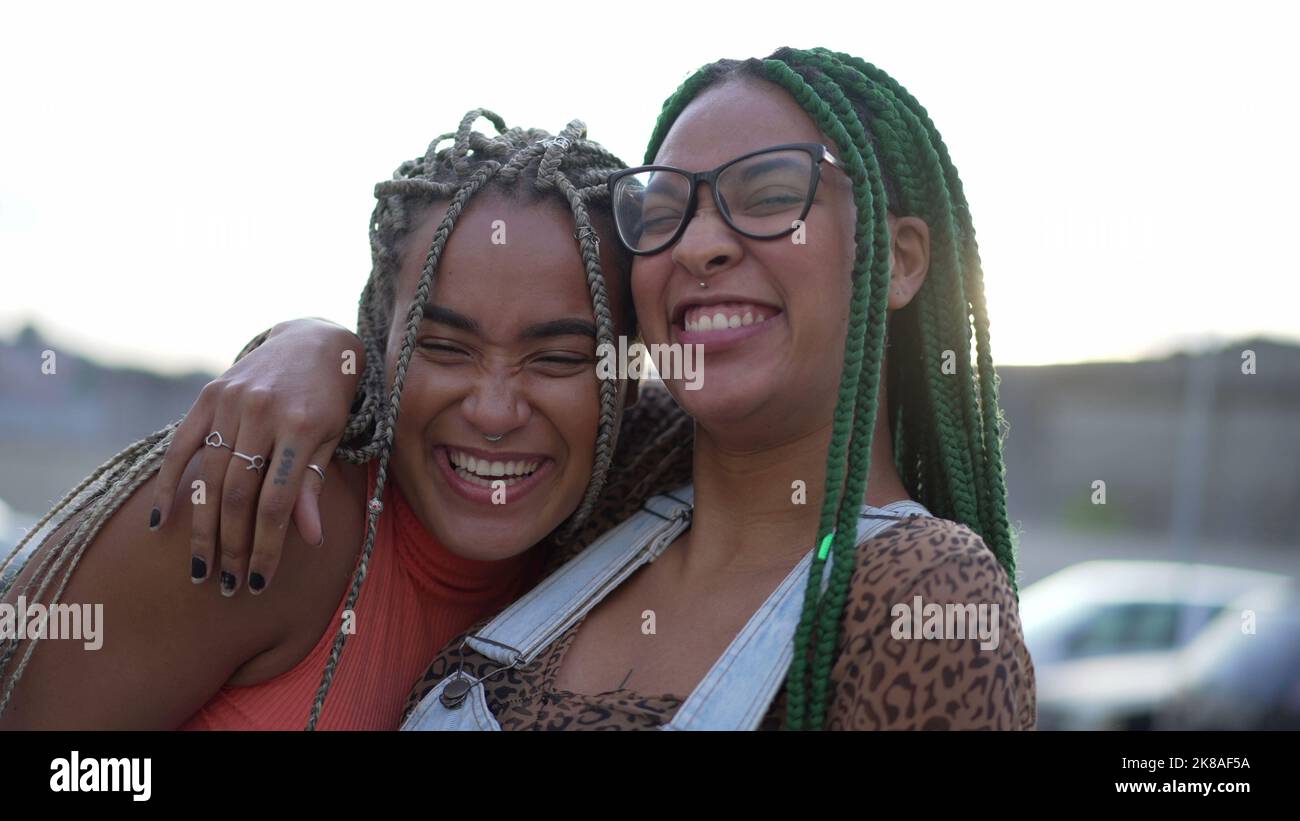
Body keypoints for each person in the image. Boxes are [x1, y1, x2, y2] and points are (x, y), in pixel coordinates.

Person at [158, 47, 1036, 730]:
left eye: (769, 193)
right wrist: (322, 349)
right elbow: (475, 374)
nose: (699, 245)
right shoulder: (616, 483)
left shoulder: (927, 593)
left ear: (903, 260)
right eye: (663, 212)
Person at [0, 112, 686, 730]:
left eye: (558, 357)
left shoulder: (620, 540)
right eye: (443, 347)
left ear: (628, 378)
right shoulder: (261, 506)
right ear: (379, 344)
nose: (493, 410)